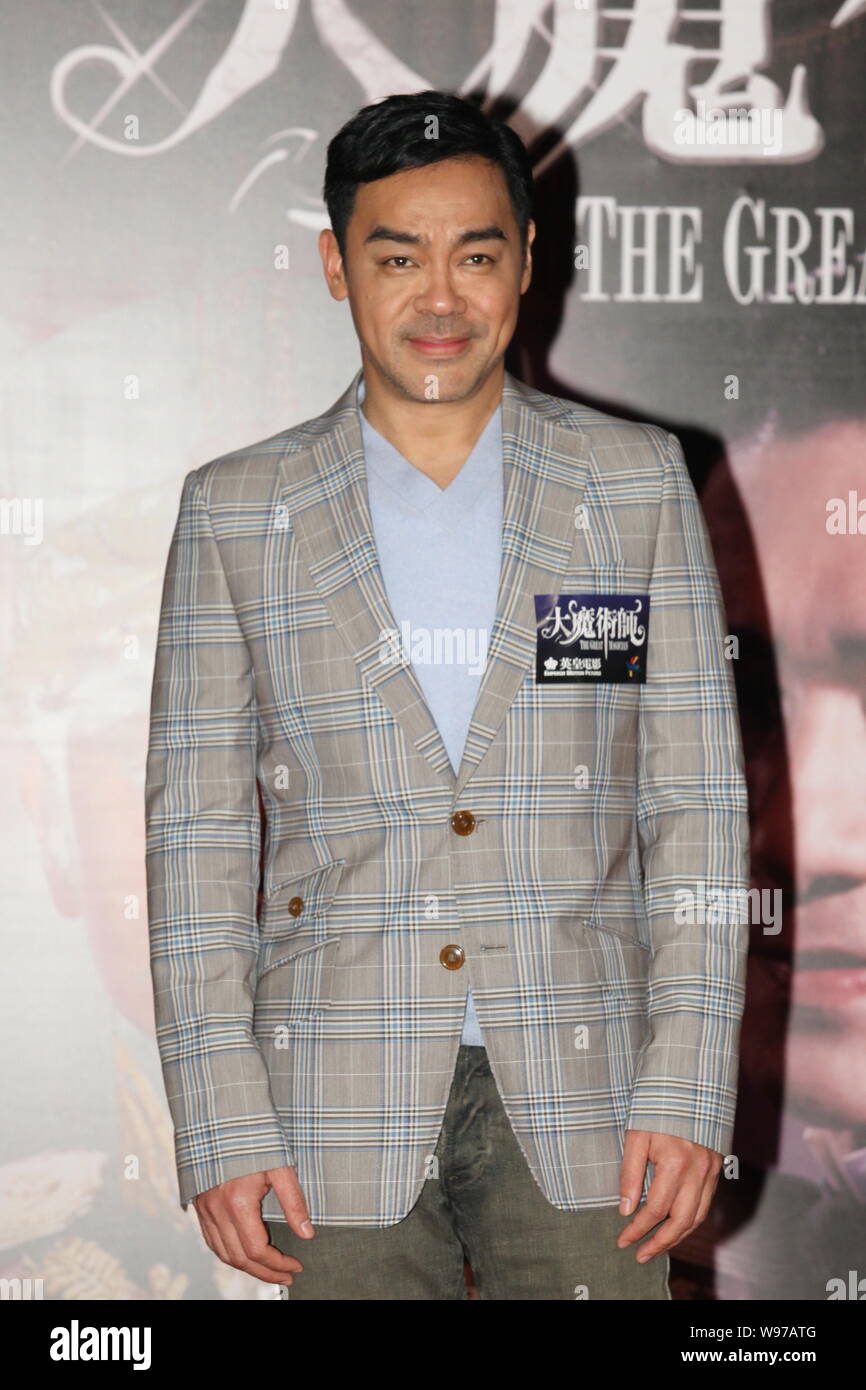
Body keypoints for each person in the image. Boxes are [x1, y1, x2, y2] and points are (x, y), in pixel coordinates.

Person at [144, 89, 750, 1300]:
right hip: (329, 1106)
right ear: (335, 266)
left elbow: (693, 805)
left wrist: (687, 1085)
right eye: (397, 254)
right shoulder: (236, 510)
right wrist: (219, 1118)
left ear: (525, 262)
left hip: (592, 1107)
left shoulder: (629, 486)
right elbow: (195, 841)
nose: (438, 296)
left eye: (475, 254)